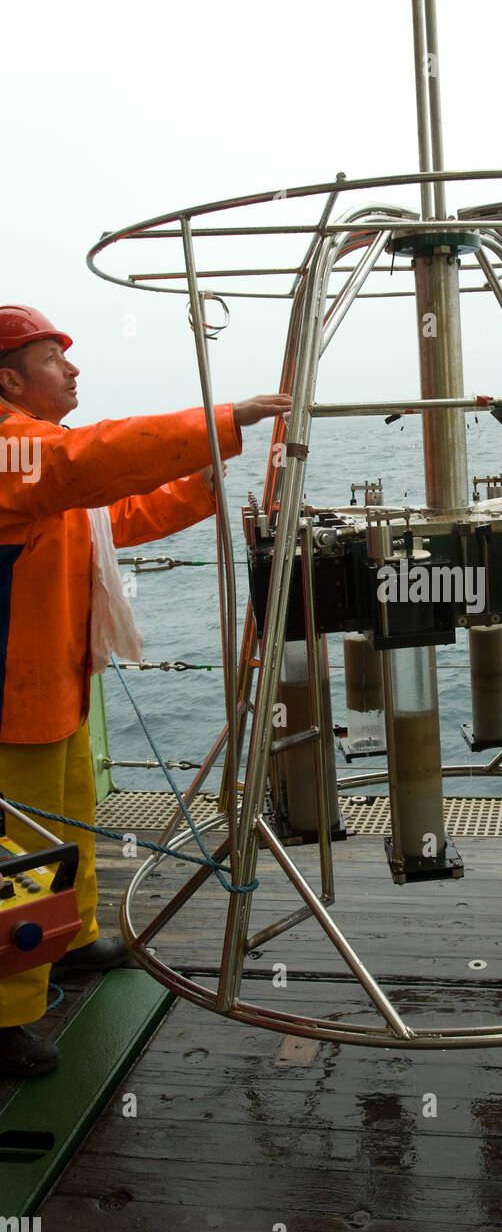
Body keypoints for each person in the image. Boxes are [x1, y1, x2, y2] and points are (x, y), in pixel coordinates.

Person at [0, 304, 292, 1079]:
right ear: (8, 379)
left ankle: (64, 941)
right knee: (21, 857)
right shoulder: (14, 454)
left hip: (56, 680)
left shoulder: (39, 459)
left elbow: (112, 514)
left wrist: (201, 484)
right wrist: (222, 419)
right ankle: (6, 1012)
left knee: (71, 826)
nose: (73, 370)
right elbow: (88, 465)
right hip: (9, 702)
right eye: (54, 358)